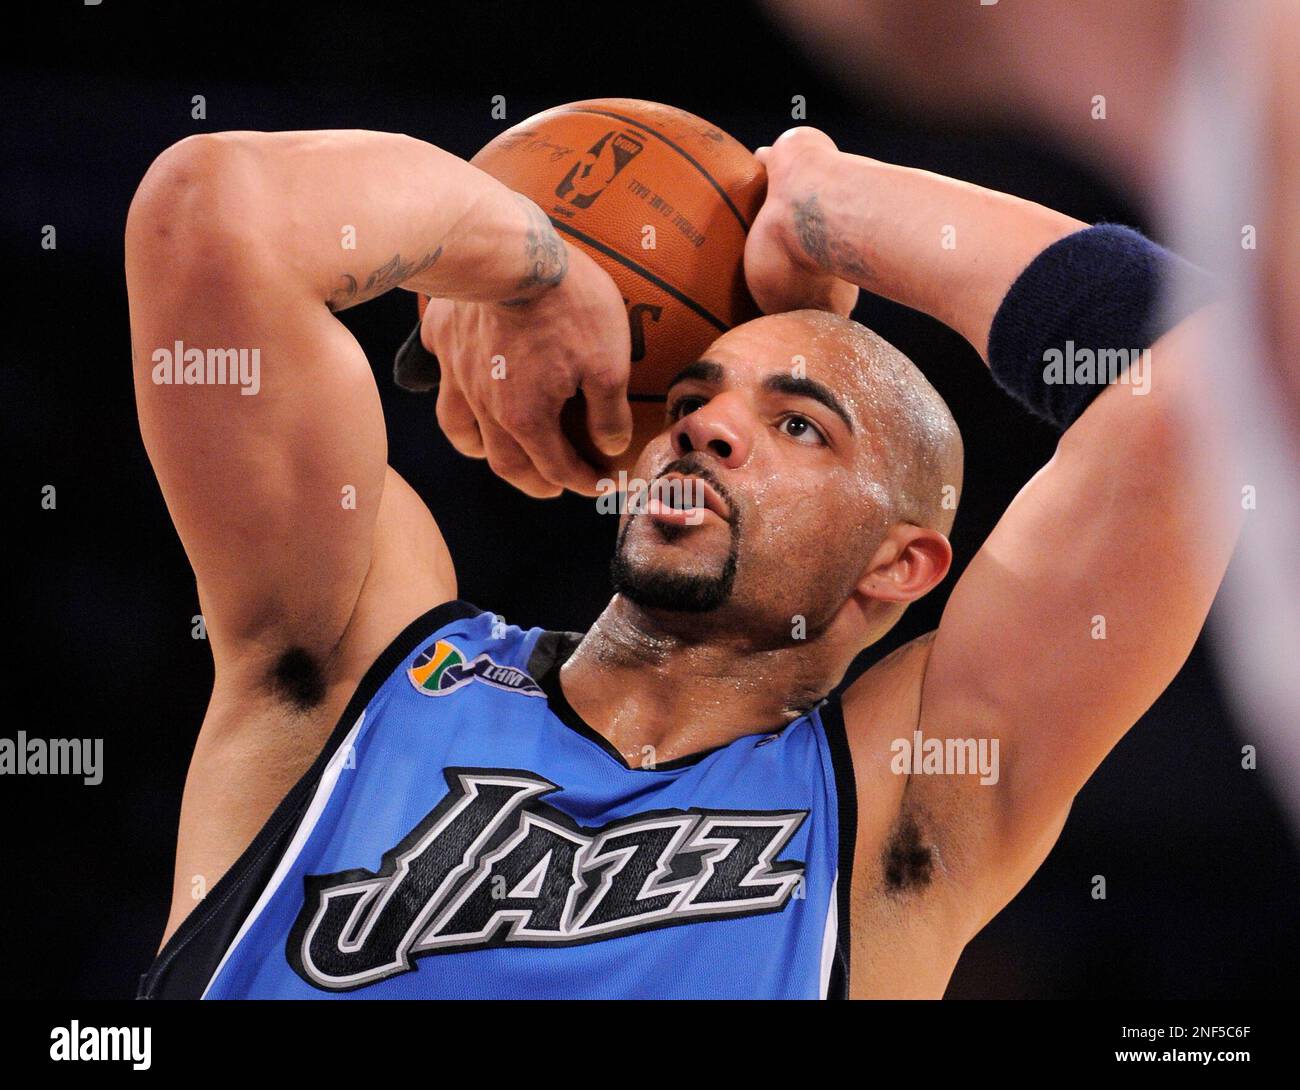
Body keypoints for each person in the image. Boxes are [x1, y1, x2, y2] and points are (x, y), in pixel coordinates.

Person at [126, 125, 1236, 999]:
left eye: (799, 425)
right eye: (692, 399)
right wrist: (508, 254)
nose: (706, 429)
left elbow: (1208, 385)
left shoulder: (904, 805)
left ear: (896, 567)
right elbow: (205, 214)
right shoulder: (358, 658)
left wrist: (820, 204)